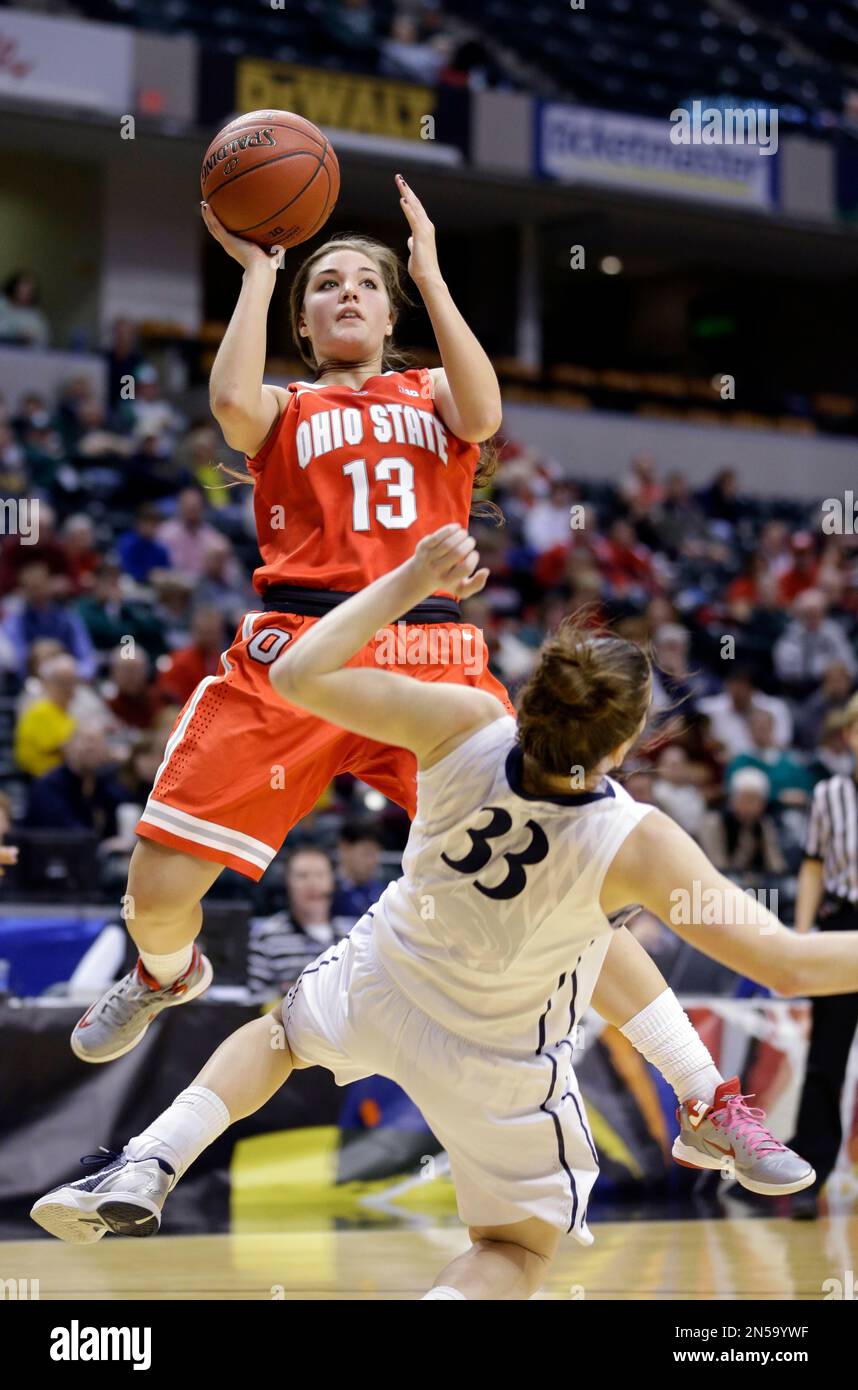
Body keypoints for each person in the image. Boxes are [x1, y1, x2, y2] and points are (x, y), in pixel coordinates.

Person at [36, 526, 858, 1298]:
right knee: (514, 1250)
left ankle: (151, 1157)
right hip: (496, 1054)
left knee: (278, 1036)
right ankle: (703, 1106)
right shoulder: (639, 841)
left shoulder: (464, 721)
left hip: (386, 975)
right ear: (626, 745)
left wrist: (411, 582)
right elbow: (787, 964)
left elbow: (293, 677)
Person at [786, 691, 858, 1219]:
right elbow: (813, 866)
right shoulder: (830, 794)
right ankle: (811, 1176)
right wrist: (803, 935)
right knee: (825, 1061)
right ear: (849, 736)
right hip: (841, 927)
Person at [247, 847, 353, 996]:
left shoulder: (352, 934)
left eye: (320, 875)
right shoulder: (267, 935)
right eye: (302, 876)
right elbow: (255, 996)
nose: (313, 883)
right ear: (287, 883)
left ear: (332, 882)